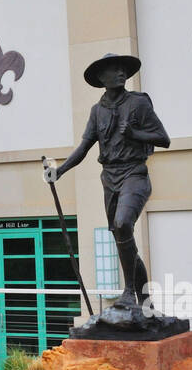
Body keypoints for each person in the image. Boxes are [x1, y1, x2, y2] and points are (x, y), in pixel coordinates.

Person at [44, 53, 170, 306]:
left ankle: (129, 292)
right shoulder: (97, 111)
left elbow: (163, 139)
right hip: (110, 178)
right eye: (115, 69)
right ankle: (146, 304)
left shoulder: (138, 103)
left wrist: (135, 133)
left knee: (122, 224)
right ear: (102, 78)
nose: (121, 73)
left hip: (134, 173)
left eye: (123, 69)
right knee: (124, 243)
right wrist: (60, 170)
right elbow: (84, 147)